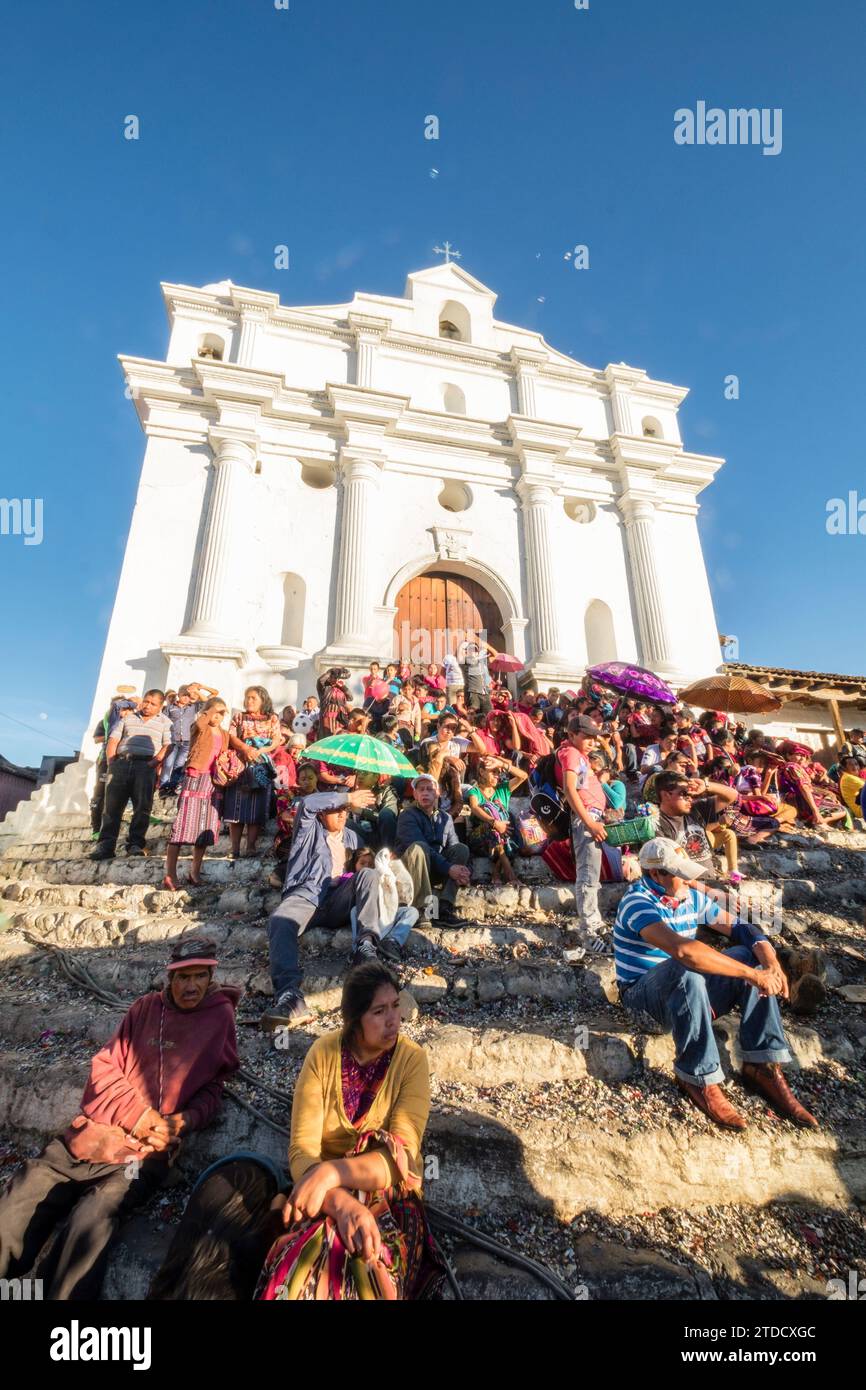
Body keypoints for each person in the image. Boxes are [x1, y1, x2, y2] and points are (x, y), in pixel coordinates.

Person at [0, 937, 240, 1300]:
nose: (190, 986)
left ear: (210, 978)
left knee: (92, 1217)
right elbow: (104, 1068)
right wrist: (140, 1116)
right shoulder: (144, 1009)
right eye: (182, 977)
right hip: (89, 1138)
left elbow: (214, 1087)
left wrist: (182, 1122)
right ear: (168, 979)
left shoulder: (219, 1017)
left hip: (138, 1157)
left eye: (198, 977)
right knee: (22, 1196)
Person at [257, 961, 446, 1300]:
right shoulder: (323, 1055)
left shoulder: (411, 1061)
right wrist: (340, 1203)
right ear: (355, 1020)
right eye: (378, 1012)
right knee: (301, 1264)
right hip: (325, 1193)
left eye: (395, 1007)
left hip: (388, 1194)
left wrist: (332, 1172)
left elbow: (398, 1157)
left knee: (367, 1261)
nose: (393, 1020)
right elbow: (302, 1152)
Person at [615, 839, 817, 1131]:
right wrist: (752, 976)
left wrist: (769, 961)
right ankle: (697, 1075)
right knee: (688, 967)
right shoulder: (637, 901)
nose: (687, 881)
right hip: (643, 1001)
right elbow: (684, 951)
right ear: (656, 874)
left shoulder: (688, 896)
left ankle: (762, 1065)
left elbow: (740, 927)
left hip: (685, 988)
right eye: (679, 874)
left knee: (749, 956)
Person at [261, 786, 379, 1030]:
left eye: (345, 810)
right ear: (323, 814)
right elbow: (307, 804)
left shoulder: (353, 838)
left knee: (369, 875)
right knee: (280, 921)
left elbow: (365, 868)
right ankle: (290, 996)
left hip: (339, 899)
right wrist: (348, 797)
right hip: (306, 896)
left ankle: (366, 947)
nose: (342, 814)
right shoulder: (308, 830)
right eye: (335, 809)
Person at [90, 690, 172, 860]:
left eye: (153, 704)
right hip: (121, 764)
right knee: (111, 807)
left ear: (161, 706)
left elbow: (168, 746)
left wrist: (154, 763)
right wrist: (112, 762)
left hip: (145, 766)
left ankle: (135, 844)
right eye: (146, 701)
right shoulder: (128, 718)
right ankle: (105, 846)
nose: (148, 706)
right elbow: (113, 740)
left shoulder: (165, 722)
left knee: (142, 807)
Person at [163, 698, 229, 891]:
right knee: (182, 825)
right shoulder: (199, 727)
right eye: (213, 712)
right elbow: (200, 723)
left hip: (213, 781)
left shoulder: (224, 734)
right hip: (196, 777)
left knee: (204, 827)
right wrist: (208, 710)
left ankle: (195, 871)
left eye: (220, 713)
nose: (216, 716)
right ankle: (170, 873)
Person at [556, 713, 609, 953]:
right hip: (586, 819)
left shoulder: (579, 755)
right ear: (571, 735)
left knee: (591, 872)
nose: (592, 742)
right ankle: (589, 928)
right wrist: (589, 822)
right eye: (586, 736)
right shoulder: (571, 753)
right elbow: (569, 789)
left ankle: (593, 920)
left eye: (594, 738)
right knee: (588, 874)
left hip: (590, 817)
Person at [395, 773, 471, 929]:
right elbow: (423, 848)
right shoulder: (407, 816)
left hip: (435, 868)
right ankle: (421, 909)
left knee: (461, 849)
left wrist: (461, 872)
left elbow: (453, 845)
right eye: (421, 789)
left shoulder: (446, 818)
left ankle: (444, 908)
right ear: (415, 794)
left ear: (437, 793)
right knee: (419, 847)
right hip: (411, 871)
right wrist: (449, 868)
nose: (425, 792)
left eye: (429, 789)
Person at [653, 769, 742, 884]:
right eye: (684, 794)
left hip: (711, 881)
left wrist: (706, 785)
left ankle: (733, 872)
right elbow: (669, 870)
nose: (690, 798)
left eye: (690, 794)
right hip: (689, 887)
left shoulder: (695, 809)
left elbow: (732, 795)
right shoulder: (658, 824)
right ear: (666, 795)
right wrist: (708, 891)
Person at [224, 686, 282, 859]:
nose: (249, 701)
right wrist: (245, 748)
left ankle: (250, 846)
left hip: (260, 765)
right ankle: (234, 848)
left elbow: (277, 739)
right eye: (247, 697)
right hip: (240, 764)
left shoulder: (272, 719)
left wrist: (261, 750)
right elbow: (231, 736)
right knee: (237, 806)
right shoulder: (239, 717)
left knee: (256, 806)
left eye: (253, 698)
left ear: (263, 700)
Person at [466, 756, 528, 884]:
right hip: (480, 839)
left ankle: (496, 871)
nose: (497, 776)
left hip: (503, 838)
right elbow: (474, 807)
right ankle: (510, 875)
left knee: (508, 820)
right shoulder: (475, 791)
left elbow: (523, 776)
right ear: (482, 772)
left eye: (498, 773)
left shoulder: (503, 789)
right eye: (493, 772)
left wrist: (502, 763)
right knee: (494, 827)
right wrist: (495, 822)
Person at [88, 685, 138, 836]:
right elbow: (97, 738)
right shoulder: (110, 719)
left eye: (127, 709)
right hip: (106, 760)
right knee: (101, 793)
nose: (125, 712)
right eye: (123, 708)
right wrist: (113, 737)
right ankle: (96, 828)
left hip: (127, 760)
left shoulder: (132, 721)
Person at [160, 682, 219, 796]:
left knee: (179, 765)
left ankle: (172, 787)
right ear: (179, 695)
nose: (186, 698)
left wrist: (198, 690)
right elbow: (163, 722)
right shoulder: (169, 708)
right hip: (173, 740)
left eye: (188, 696)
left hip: (187, 741)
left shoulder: (193, 707)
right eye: (184, 695)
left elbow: (206, 701)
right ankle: (163, 787)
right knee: (168, 764)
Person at [837, 754, 866, 820]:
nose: (855, 767)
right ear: (844, 768)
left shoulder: (849, 777)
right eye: (851, 764)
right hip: (860, 810)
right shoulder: (848, 778)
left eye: (856, 764)